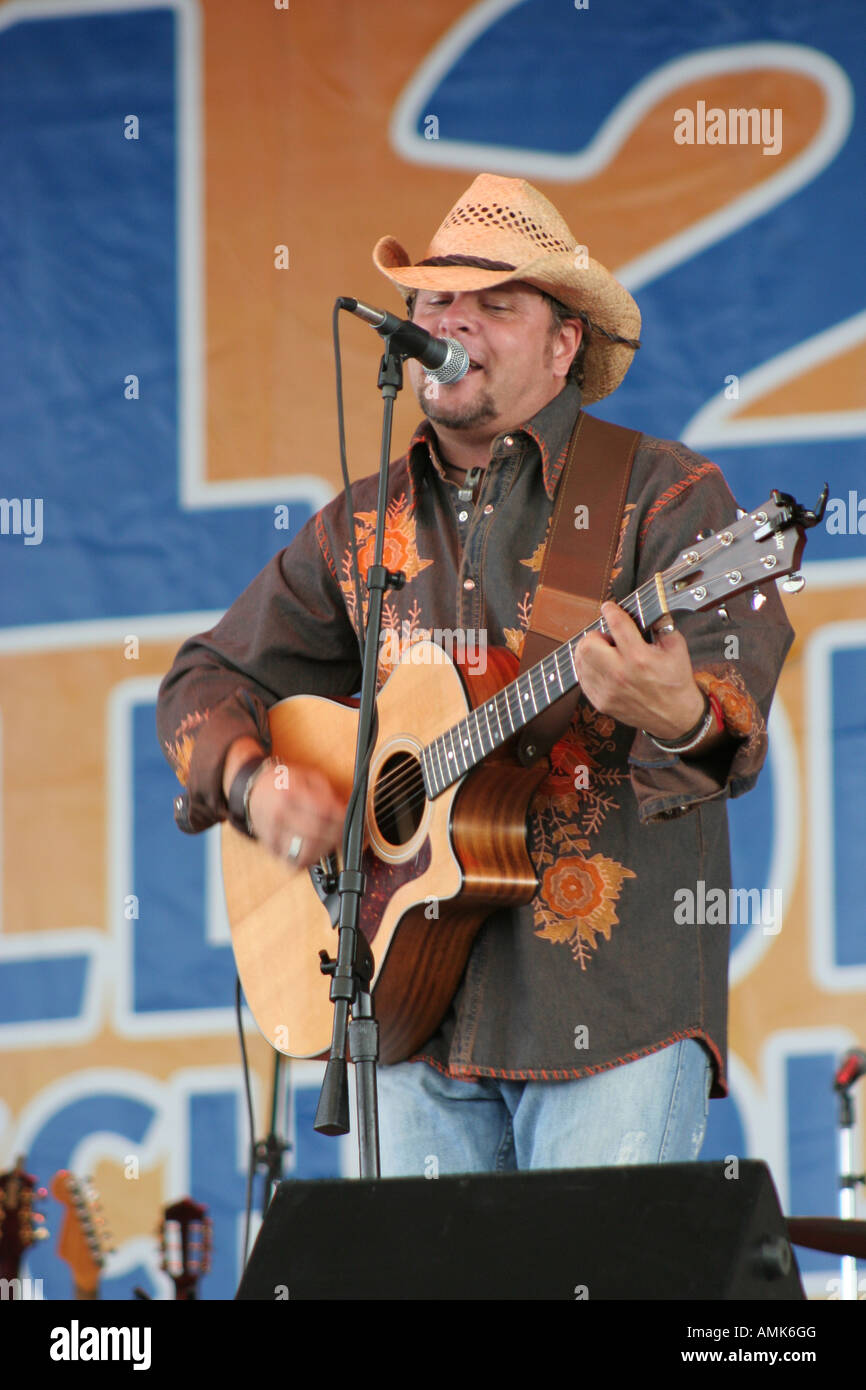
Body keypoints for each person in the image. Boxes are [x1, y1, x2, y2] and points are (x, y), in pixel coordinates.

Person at [156, 174, 794, 1177]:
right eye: (432, 302)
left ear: (561, 342)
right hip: (401, 1016)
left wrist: (677, 712)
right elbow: (204, 679)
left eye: (494, 303)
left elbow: (727, 716)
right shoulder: (361, 524)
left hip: (607, 1014)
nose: (451, 321)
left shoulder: (658, 495)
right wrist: (254, 780)